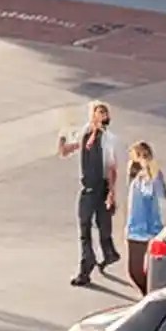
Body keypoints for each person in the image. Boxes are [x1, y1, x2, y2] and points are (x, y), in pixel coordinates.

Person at [58, 101, 120, 287]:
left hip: (100, 188)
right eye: (97, 112)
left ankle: (101, 257)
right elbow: (67, 150)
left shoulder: (109, 139)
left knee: (101, 226)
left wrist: (111, 192)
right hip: (89, 187)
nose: (100, 116)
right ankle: (96, 259)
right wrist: (62, 136)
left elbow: (111, 168)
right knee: (87, 227)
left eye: (103, 113)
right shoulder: (85, 132)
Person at [125, 141, 166, 295]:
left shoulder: (151, 176)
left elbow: (159, 193)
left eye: (139, 156)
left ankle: (150, 296)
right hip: (135, 229)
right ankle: (148, 295)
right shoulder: (137, 177)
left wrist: (149, 169)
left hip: (146, 230)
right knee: (135, 271)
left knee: (141, 271)